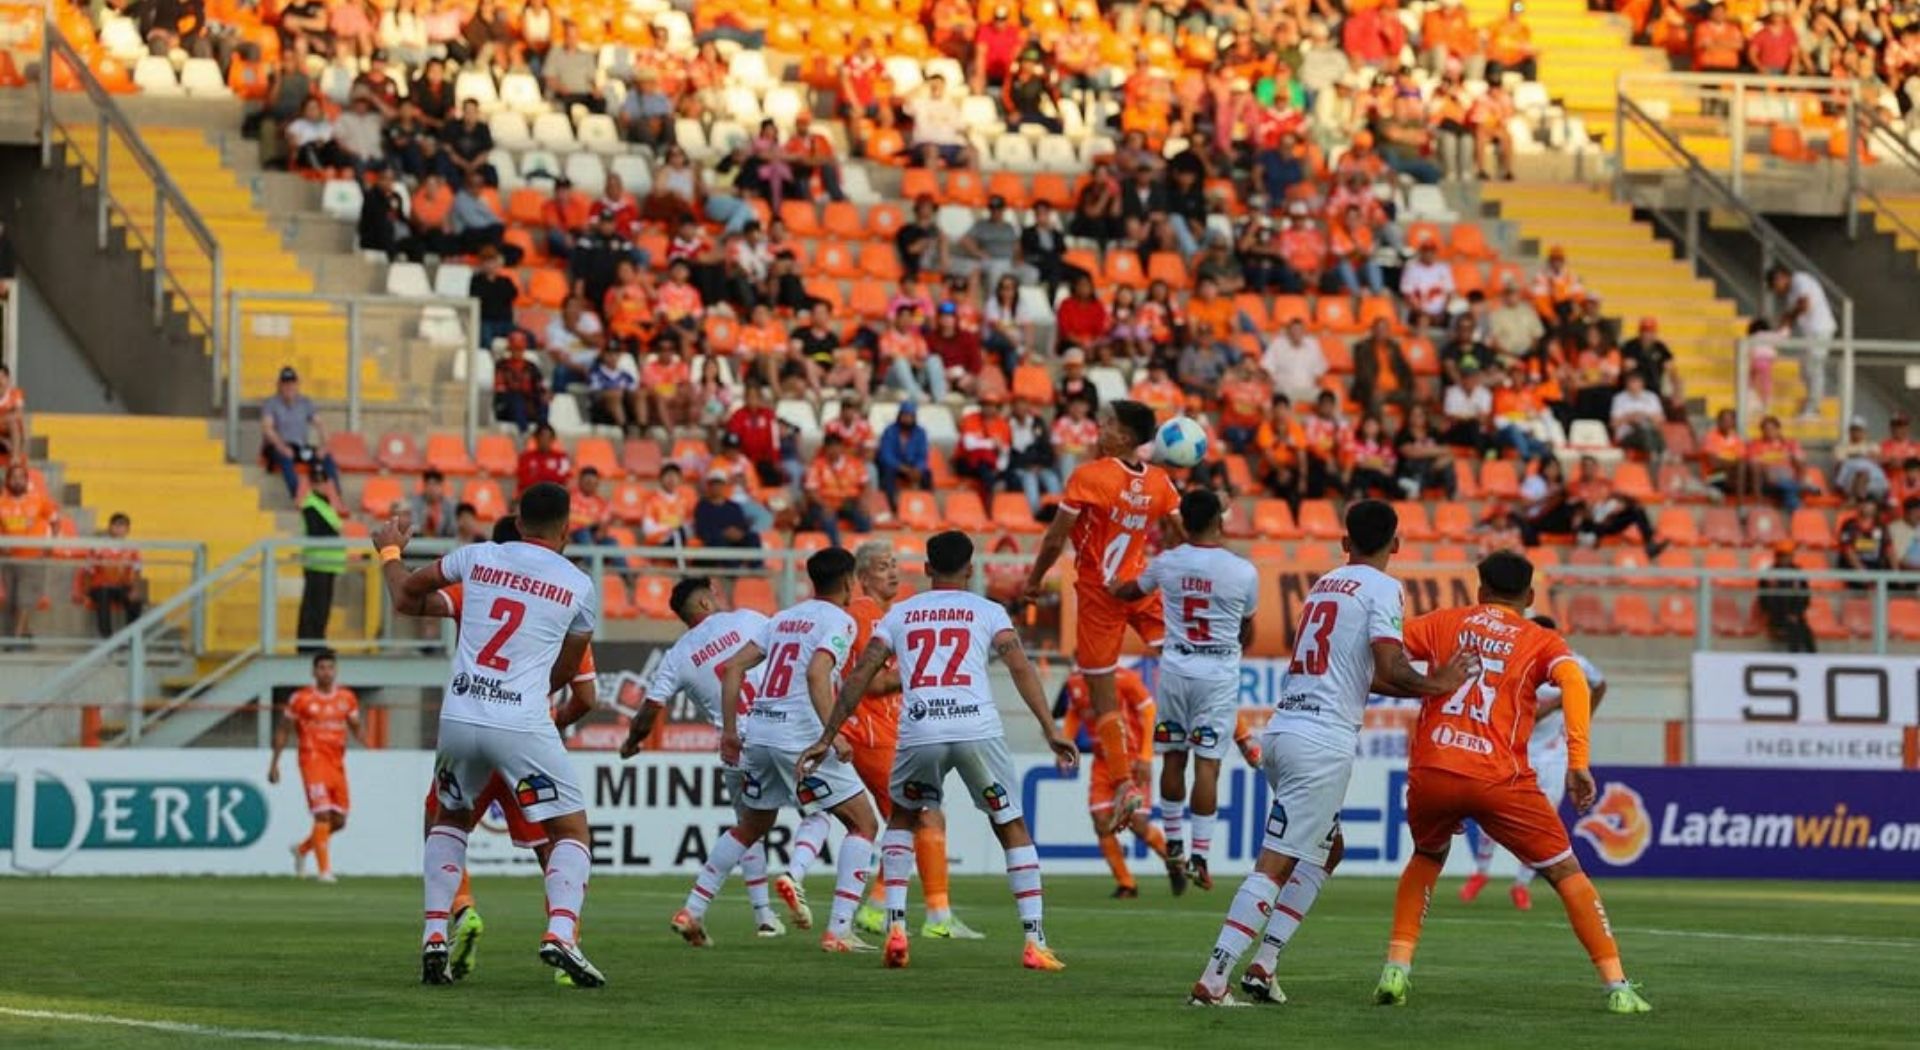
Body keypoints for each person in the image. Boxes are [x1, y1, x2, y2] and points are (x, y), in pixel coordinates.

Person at [1190, 501, 1473, 1006]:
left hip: (1284, 732)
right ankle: (1213, 980)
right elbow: (1393, 663)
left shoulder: (1325, 585)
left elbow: (1373, 674)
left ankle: (1264, 965)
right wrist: (1442, 682)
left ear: (1345, 544)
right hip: (1321, 742)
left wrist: (1428, 685)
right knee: (1274, 865)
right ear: (1397, 545)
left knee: (1328, 849)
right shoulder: (1384, 588)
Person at [1375, 551, 1653, 1015]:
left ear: (1480, 591)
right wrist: (1578, 761)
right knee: (1566, 873)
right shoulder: (1539, 639)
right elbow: (1577, 683)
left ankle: (1396, 968)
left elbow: (1385, 648)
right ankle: (1617, 986)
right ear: (1529, 596)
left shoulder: (1446, 622)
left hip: (1434, 768)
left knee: (1426, 856)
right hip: (1499, 777)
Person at [804, 530, 1079, 971]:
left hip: (921, 731)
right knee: (1010, 824)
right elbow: (1020, 666)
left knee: (903, 819)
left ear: (927, 569)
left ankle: (896, 926)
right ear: (971, 569)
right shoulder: (989, 611)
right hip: (977, 729)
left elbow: (860, 674)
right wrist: (1051, 729)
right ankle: (1035, 941)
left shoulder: (900, 616)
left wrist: (827, 733)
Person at [384, 482, 603, 986]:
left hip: (460, 717)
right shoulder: (579, 585)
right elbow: (570, 672)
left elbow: (407, 594)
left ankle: (436, 934)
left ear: (519, 521)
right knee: (570, 831)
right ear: (566, 529)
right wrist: (522, 696)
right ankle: (561, 934)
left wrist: (389, 551)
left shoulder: (477, 556)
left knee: (449, 820)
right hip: (523, 722)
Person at [673, 549, 883, 953]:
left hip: (760, 733)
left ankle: (692, 909)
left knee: (752, 824)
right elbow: (817, 671)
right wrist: (830, 733)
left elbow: (732, 668)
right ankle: (838, 930)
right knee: (863, 824)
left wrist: (731, 731)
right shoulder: (840, 620)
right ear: (848, 582)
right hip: (799, 738)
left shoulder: (783, 617)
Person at [1021, 401, 1182, 838]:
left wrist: (1035, 580)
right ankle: (1244, 737)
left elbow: (1056, 537)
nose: (1100, 428)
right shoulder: (1161, 483)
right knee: (1191, 657)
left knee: (1102, 695)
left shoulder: (1089, 477)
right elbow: (1181, 538)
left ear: (1127, 438)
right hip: (1143, 587)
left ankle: (1124, 783)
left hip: (1099, 594)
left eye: (1108, 424)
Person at [617, 576, 797, 939]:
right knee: (834, 809)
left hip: (735, 745)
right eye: (714, 595)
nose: (719, 599)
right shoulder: (749, 619)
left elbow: (651, 708)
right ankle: (824, 902)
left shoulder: (678, 655)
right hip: (778, 731)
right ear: (704, 603)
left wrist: (633, 742)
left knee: (747, 828)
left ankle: (758, 914)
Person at [1110, 490, 1257, 894]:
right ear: (1220, 522)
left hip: (1175, 669)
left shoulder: (1167, 562)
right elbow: (1249, 628)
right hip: (1218, 673)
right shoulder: (1243, 571)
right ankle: (1200, 856)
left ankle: (1172, 841)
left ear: (1184, 523)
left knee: (1173, 757)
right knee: (1207, 766)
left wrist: (1107, 583)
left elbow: (1130, 591)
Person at [840, 542, 980, 940]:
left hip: (885, 731)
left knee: (906, 819)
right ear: (862, 578)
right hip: (871, 733)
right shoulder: (866, 614)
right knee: (925, 816)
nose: (893, 573)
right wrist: (922, 670)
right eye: (883, 567)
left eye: (895, 565)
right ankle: (937, 917)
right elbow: (874, 683)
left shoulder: (881, 616)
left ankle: (877, 907)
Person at [1461, 616, 1606, 911]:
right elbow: (1532, 713)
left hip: (1553, 757)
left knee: (1544, 821)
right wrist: (1562, 703)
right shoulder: (1516, 658)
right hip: (1516, 751)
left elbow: (1599, 684)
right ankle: (1481, 872)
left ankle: (1521, 886)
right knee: (1493, 813)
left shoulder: (1572, 662)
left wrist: (1583, 716)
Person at [266, 649, 366, 884]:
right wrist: (274, 764)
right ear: (314, 671)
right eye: (321, 668)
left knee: (339, 821)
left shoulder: (347, 698)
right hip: (311, 761)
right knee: (322, 813)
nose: (326, 672)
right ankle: (324, 871)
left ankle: (301, 849)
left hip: (336, 763)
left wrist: (365, 737)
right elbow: (283, 730)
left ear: (335, 670)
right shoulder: (300, 699)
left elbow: (356, 727)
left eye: (330, 667)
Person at [1766, 264, 1837, 420]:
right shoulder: (1791, 293)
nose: (1777, 291)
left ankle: (1814, 409)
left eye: (1775, 286)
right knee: (1805, 369)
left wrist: (1789, 318)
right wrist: (1777, 335)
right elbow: (1788, 317)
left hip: (1820, 329)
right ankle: (1811, 404)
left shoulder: (1800, 280)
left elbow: (1804, 305)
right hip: (1810, 334)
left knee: (1813, 368)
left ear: (1781, 277)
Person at [261, 367, 342, 498]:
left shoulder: (305, 403)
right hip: (276, 447)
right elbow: (267, 428)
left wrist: (324, 446)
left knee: (325, 457)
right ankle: (299, 496)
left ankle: (335, 496)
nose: (289, 387)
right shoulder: (271, 403)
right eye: (285, 383)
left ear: (297, 385)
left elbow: (321, 424)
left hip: (299, 448)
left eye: (292, 383)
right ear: (279, 385)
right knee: (286, 458)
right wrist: (282, 447)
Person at [0, 463, 56, 643]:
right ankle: (24, 635)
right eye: (13, 477)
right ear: (7, 481)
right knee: (11, 602)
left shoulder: (39, 499)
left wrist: (49, 546)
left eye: (20, 477)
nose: (17, 481)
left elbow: (55, 522)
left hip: (33, 559)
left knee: (24, 599)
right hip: (9, 560)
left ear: (26, 480)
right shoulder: (1, 502)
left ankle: (15, 640)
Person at [298, 477, 348, 651]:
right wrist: (335, 533)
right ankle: (308, 644)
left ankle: (317, 641)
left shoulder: (324, 504)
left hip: (328, 564)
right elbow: (317, 532)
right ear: (312, 484)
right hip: (317, 563)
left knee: (322, 608)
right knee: (314, 607)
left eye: (324, 481)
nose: (322, 485)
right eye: (317, 481)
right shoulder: (311, 505)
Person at [802, 433, 872, 547]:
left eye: (837, 446)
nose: (833, 450)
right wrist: (824, 505)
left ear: (842, 447)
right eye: (830, 447)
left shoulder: (855, 463)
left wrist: (863, 502)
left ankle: (860, 552)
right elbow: (811, 491)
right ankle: (837, 553)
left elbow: (866, 485)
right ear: (825, 449)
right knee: (828, 520)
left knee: (864, 518)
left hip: (848, 502)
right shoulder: (816, 465)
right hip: (824, 502)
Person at [82, 512, 145, 638]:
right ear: (110, 527)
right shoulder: (98, 547)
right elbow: (88, 570)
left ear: (128, 529)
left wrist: (135, 590)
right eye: (116, 525)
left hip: (121, 586)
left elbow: (137, 571)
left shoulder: (132, 549)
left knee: (135, 601)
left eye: (123, 526)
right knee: (104, 594)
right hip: (100, 587)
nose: (119, 529)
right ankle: (106, 637)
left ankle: (132, 637)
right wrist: (86, 592)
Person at [1759, 541, 1815, 653]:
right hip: (1776, 616)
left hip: (1796, 615)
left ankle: (1813, 659)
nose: (1787, 559)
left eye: (1789, 555)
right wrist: (1785, 614)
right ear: (1778, 556)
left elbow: (1805, 597)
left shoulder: (1798, 573)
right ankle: (1794, 658)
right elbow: (1765, 601)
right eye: (1784, 555)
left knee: (1806, 632)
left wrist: (1795, 613)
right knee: (1795, 628)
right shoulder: (1769, 575)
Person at [875, 403, 930, 512]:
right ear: (899, 416)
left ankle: (926, 506)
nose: (907, 419)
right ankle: (891, 507)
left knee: (926, 475)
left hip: (912, 466)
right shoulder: (889, 431)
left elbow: (922, 455)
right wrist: (902, 468)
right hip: (894, 466)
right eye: (905, 416)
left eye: (910, 416)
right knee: (887, 474)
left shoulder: (920, 432)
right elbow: (885, 455)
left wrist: (918, 468)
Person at [407, 470, 460, 539]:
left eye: (435, 484)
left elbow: (453, 529)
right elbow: (414, 526)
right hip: (420, 542)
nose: (431, 488)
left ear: (441, 486)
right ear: (424, 487)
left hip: (444, 543)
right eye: (428, 484)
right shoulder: (415, 503)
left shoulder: (451, 505)